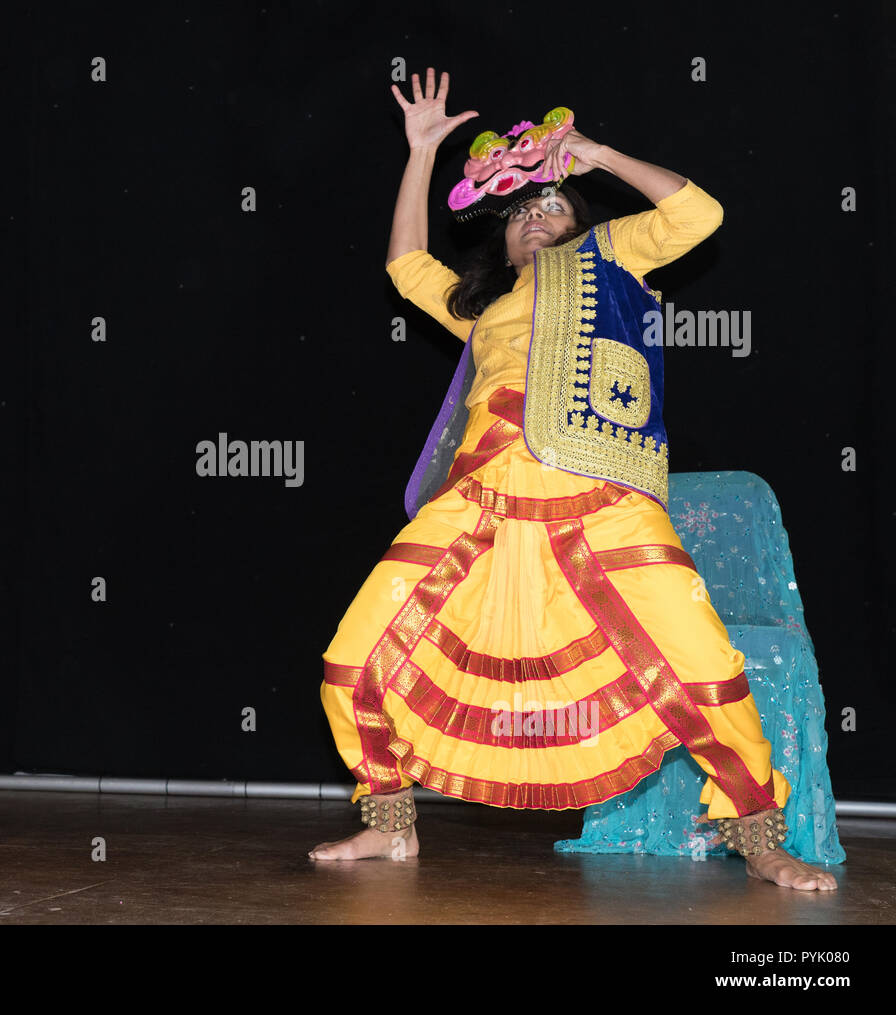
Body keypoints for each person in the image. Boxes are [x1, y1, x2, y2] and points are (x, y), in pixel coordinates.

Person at [309, 69, 837, 891]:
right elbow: (407, 265)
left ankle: (760, 836)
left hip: (605, 500)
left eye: (550, 205)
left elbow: (699, 214)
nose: (534, 219)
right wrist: (420, 153)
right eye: (521, 213)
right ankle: (388, 820)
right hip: (480, 503)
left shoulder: (614, 255)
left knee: (704, 666)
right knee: (354, 657)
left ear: (578, 217)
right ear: (504, 237)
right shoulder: (481, 305)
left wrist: (592, 153)